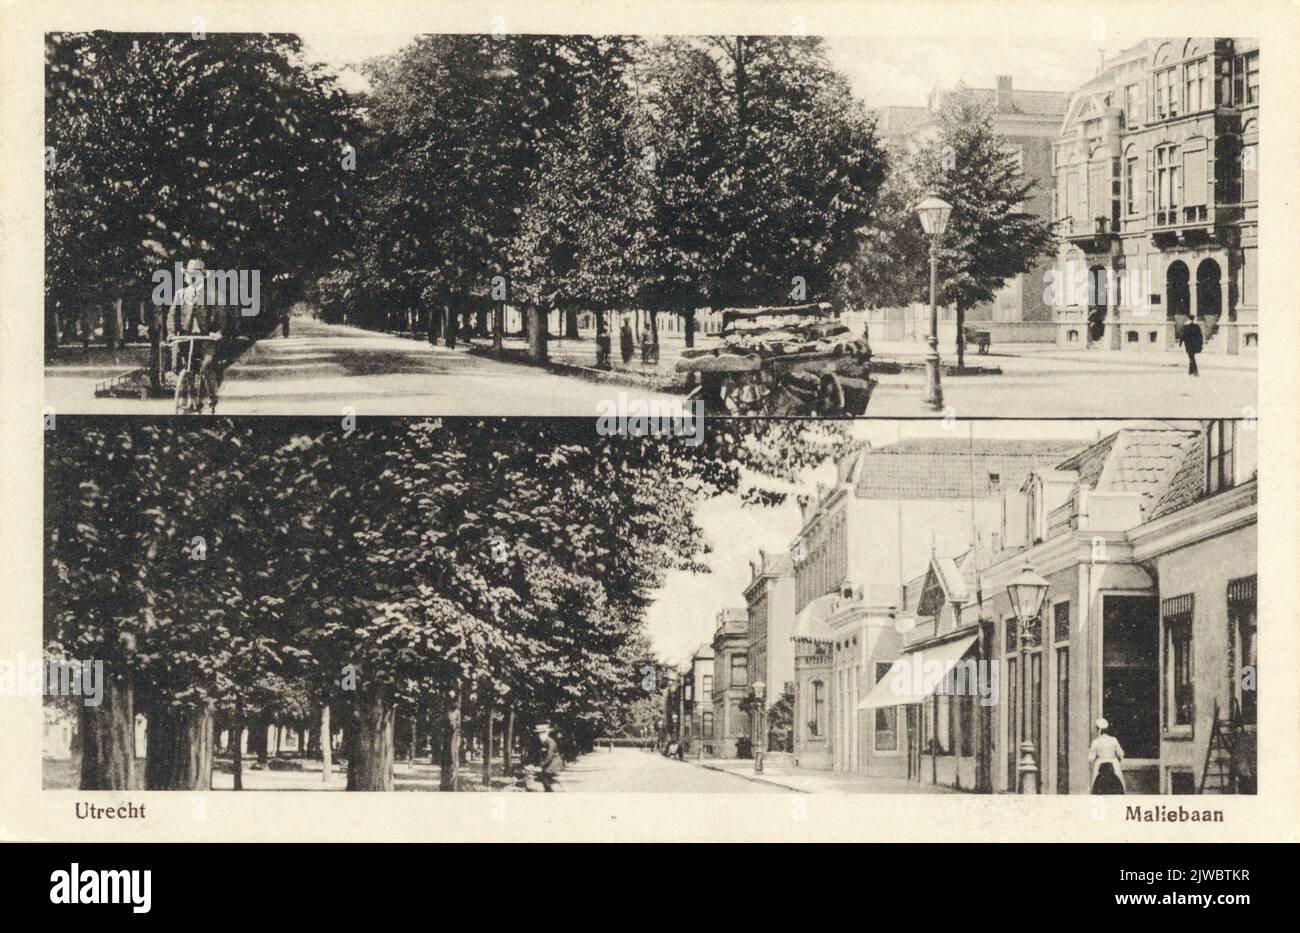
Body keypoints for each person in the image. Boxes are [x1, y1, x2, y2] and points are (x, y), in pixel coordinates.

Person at [1088, 718, 1126, 794]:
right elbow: (1121, 754)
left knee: (1095, 784)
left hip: (1099, 763)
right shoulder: (1113, 740)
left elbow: (1091, 758)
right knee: (1120, 783)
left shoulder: (1096, 742)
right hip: (1114, 763)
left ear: (1098, 729)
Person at [534, 724, 564, 792]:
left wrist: (541, 766)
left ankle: (551, 790)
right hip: (548, 763)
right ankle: (549, 789)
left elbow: (549, 756)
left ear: (547, 733)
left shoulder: (551, 742)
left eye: (542, 733)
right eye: (539, 733)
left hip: (554, 763)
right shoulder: (543, 742)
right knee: (542, 777)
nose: (540, 735)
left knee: (544, 775)